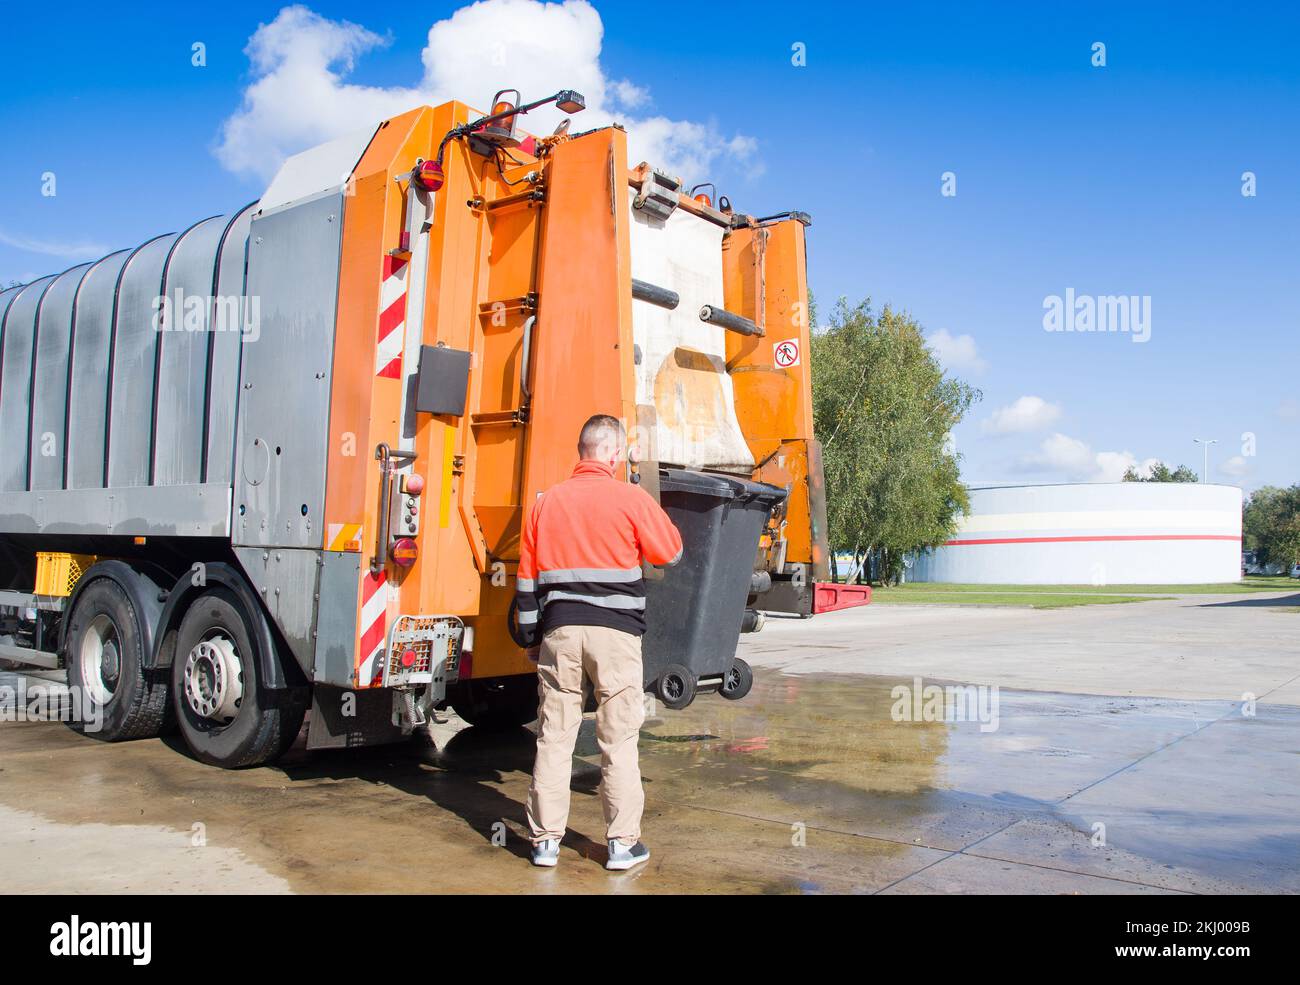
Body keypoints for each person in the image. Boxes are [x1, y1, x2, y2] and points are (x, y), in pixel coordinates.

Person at [515, 414, 683, 870]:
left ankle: (545, 842)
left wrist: (531, 638)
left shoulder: (545, 503)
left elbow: (526, 580)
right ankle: (621, 846)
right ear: (614, 453)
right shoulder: (630, 498)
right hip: (615, 636)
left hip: (560, 632)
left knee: (554, 736)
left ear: (582, 451)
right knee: (618, 737)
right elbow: (670, 551)